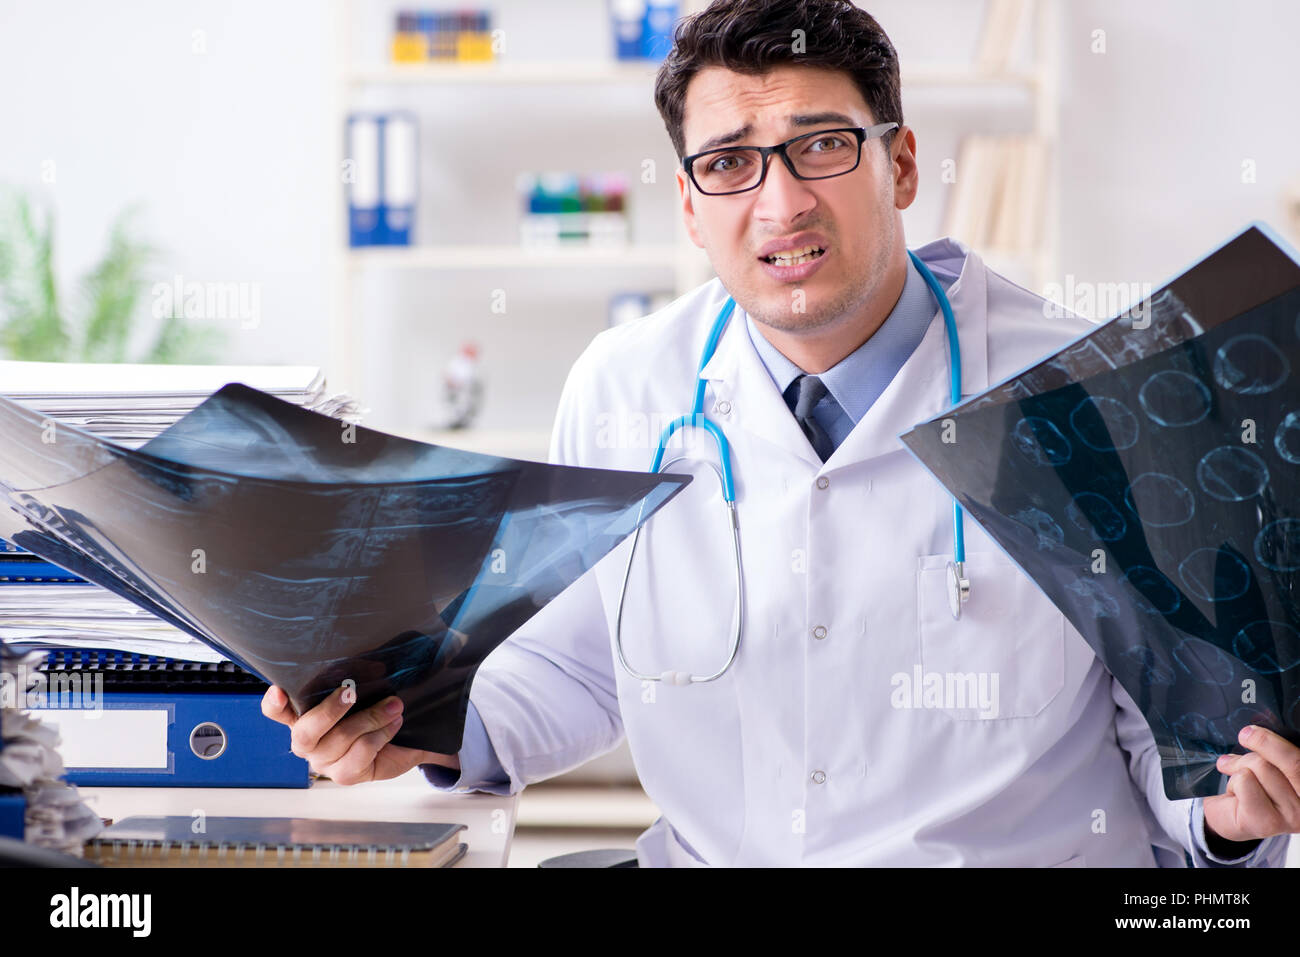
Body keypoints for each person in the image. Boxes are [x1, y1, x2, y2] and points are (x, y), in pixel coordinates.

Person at [264, 0, 1298, 866]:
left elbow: (1172, 733)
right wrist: (418, 730)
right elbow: (576, 666)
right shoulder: (627, 385)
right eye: (729, 164)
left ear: (898, 166)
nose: (781, 201)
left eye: (820, 145)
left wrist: (1230, 813)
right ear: (687, 203)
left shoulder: (1089, 388)